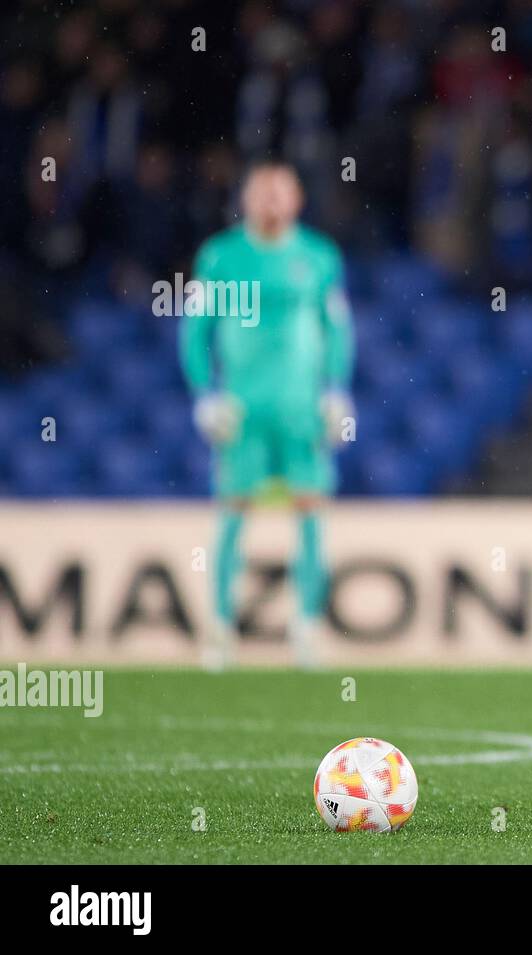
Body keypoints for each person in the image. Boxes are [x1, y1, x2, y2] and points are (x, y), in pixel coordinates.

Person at [180, 161, 354, 669]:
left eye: (281, 192)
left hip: (301, 409)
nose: (271, 201)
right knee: (234, 512)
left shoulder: (319, 257)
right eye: (262, 192)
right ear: (245, 199)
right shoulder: (220, 256)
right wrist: (204, 395)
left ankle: (308, 627)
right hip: (243, 409)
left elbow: (338, 329)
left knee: (311, 515)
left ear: (297, 199)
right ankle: (219, 627)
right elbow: (194, 331)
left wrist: (337, 391)